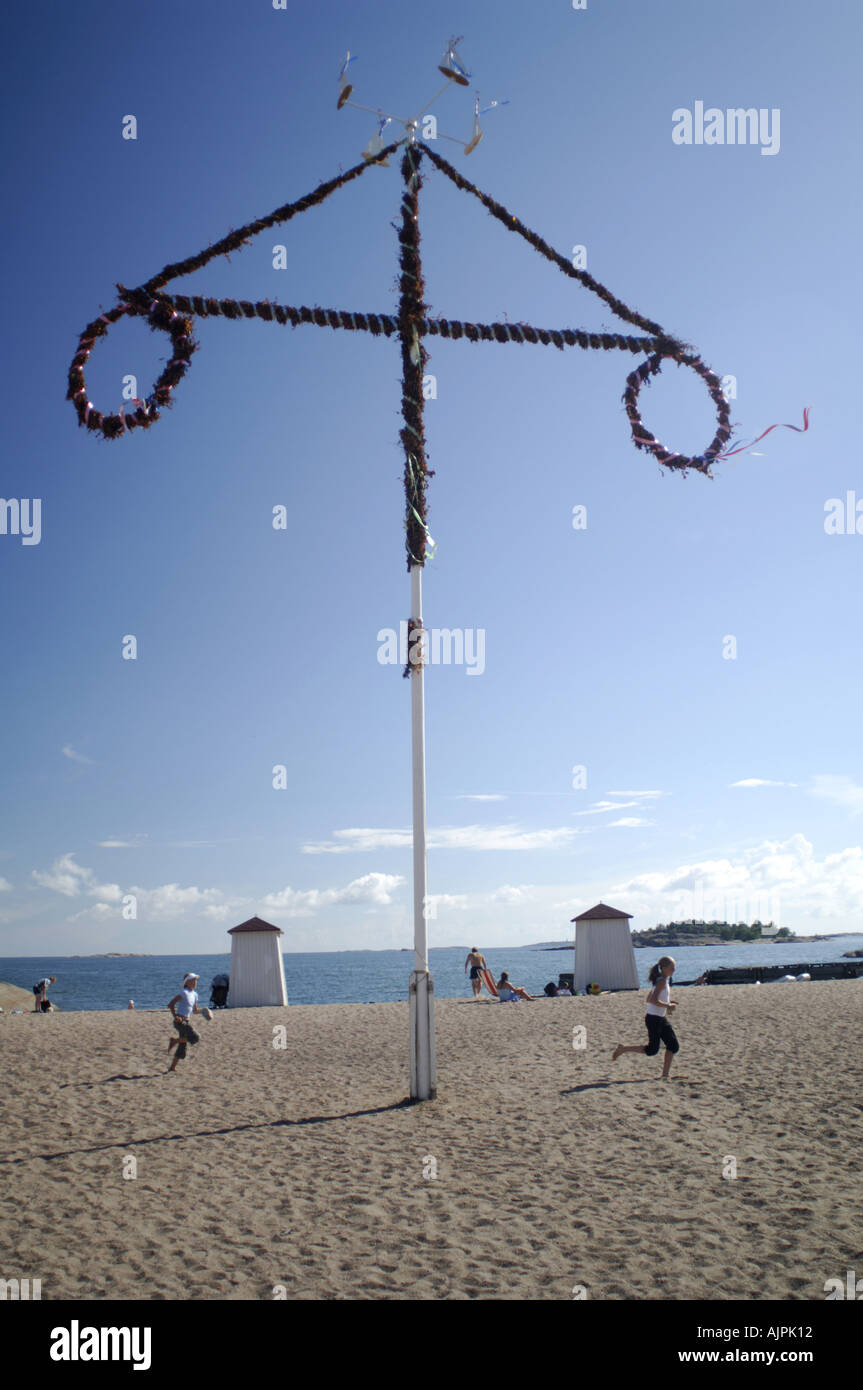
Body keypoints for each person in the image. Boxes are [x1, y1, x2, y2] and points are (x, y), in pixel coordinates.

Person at [611, 956, 679, 1080]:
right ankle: (623, 1049)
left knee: (673, 1045)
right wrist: (668, 1005)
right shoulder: (662, 981)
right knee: (652, 1050)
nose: (674, 970)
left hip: (659, 1018)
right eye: (672, 967)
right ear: (664, 968)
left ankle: (665, 1075)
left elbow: (649, 999)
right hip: (654, 1019)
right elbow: (652, 1000)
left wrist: (667, 1002)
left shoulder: (662, 980)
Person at [166, 972, 202, 1072]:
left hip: (187, 1020)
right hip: (180, 1021)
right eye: (193, 980)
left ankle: (172, 1067)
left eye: (196, 980)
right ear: (187, 982)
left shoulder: (195, 994)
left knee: (182, 1047)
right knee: (196, 1037)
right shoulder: (184, 993)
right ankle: (174, 1041)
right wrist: (175, 1016)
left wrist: (204, 1011)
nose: (195, 982)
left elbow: (195, 1010)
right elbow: (171, 1004)